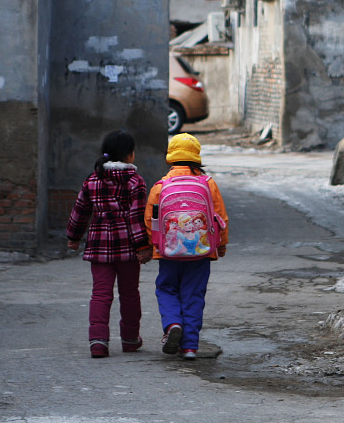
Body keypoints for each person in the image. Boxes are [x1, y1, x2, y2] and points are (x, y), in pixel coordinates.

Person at [66, 129, 152, 358]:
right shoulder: (135, 182)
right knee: (130, 293)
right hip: (128, 248)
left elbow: (80, 211)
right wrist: (143, 245)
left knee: (100, 294)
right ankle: (130, 339)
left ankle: (98, 342)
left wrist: (73, 236)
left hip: (99, 246)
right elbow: (136, 217)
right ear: (129, 155)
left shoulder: (92, 180)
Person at [145, 132, 228, 360]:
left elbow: (149, 222)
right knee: (193, 295)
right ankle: (189, 346)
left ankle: (172, 324)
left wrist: (154, 247)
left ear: (170, 157)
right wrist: (220, 246)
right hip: (200, 252)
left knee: (167, 289)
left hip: (169, 252)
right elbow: (221, 217)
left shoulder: (160, 187)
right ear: (196, 156)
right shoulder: (208, 184)